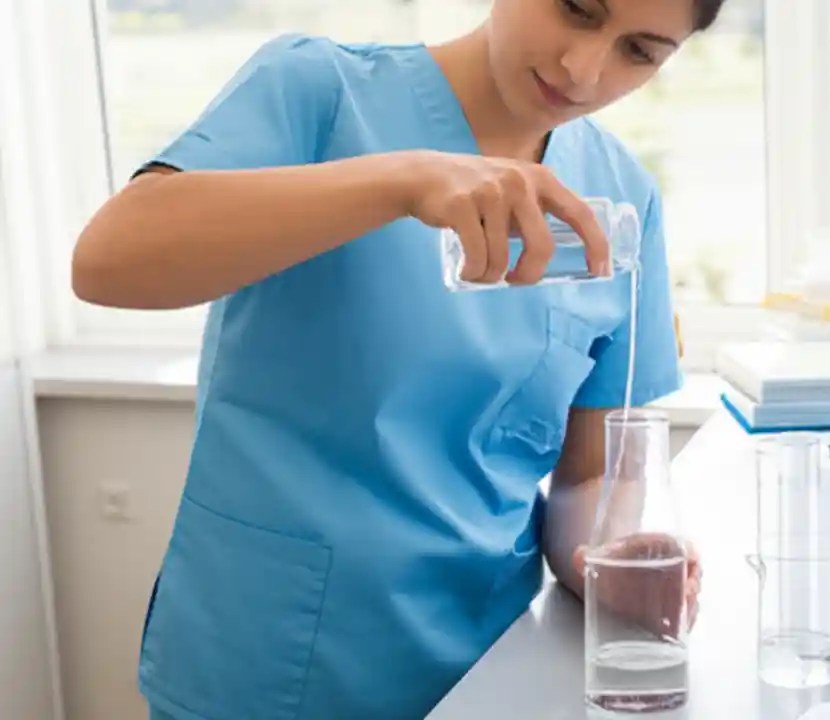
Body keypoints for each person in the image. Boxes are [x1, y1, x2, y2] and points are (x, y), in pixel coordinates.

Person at [72, 0, 724, 717]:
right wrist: (401, 182)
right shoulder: (317, 92)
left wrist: (606, 562)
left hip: (490, 663)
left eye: (640, 52)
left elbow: (589, 475)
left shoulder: (619, 202)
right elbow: (109, 262)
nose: (583, 68)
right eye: (576, 10)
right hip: (269, 660)